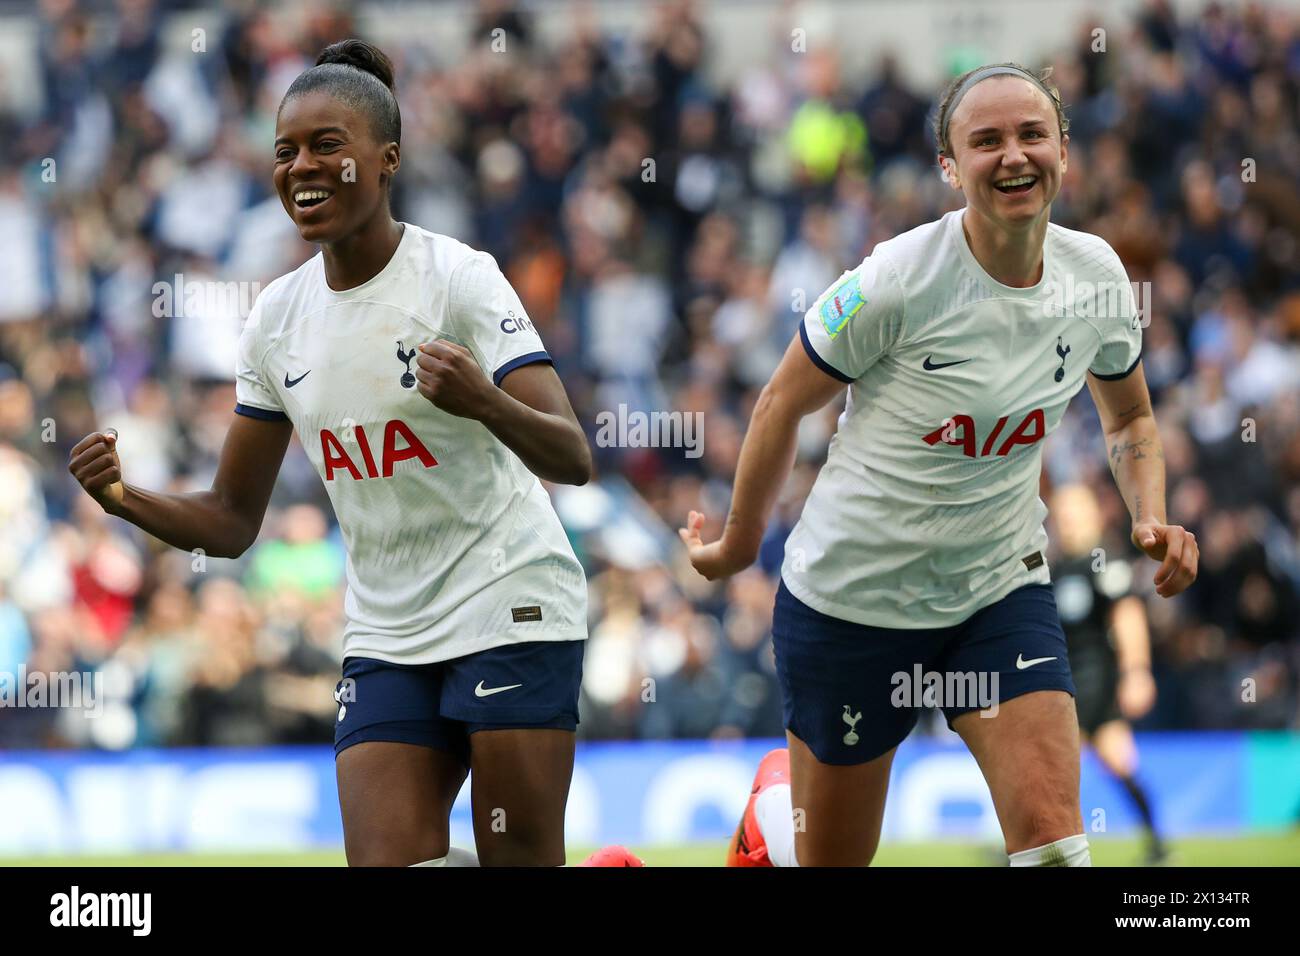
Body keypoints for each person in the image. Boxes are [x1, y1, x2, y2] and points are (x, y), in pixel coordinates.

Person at [69, 40, 594, 867]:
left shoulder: (457, 279)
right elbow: (234, 521)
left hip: (510, 601)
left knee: (519, 858)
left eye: (326, 145)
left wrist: (483, 400)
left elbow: (572, 456)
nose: (301, 166)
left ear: (386, 161)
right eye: (285, 151)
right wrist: (125, 500)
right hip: (386, 630)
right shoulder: (276, 320)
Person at [680, 62, 1199, 867]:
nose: (1013, 155)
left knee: (1058, 849)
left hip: (995, 588)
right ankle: (774, 822)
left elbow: (1128, 414)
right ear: (950, 168)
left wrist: (1148, 514)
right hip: (851, 601)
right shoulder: (895, 280)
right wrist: (741, 544)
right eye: (985, 141)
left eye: (1032, 134)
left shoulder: (1097, 277)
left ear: (1064, 147)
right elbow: (782, 400)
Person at [1050, 484, 1168, 864]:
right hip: (1064, 683)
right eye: (1061, 515)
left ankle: (1155, 843)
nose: (1066, 523)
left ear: (1092, 516)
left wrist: (1137, 672)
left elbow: (1128, 616)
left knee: (1081, 765)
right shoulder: (1055, 566)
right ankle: (1157, 845)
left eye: (1073, 513)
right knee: (1089, 767)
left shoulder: (1104, 561)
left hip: (1097, 684)